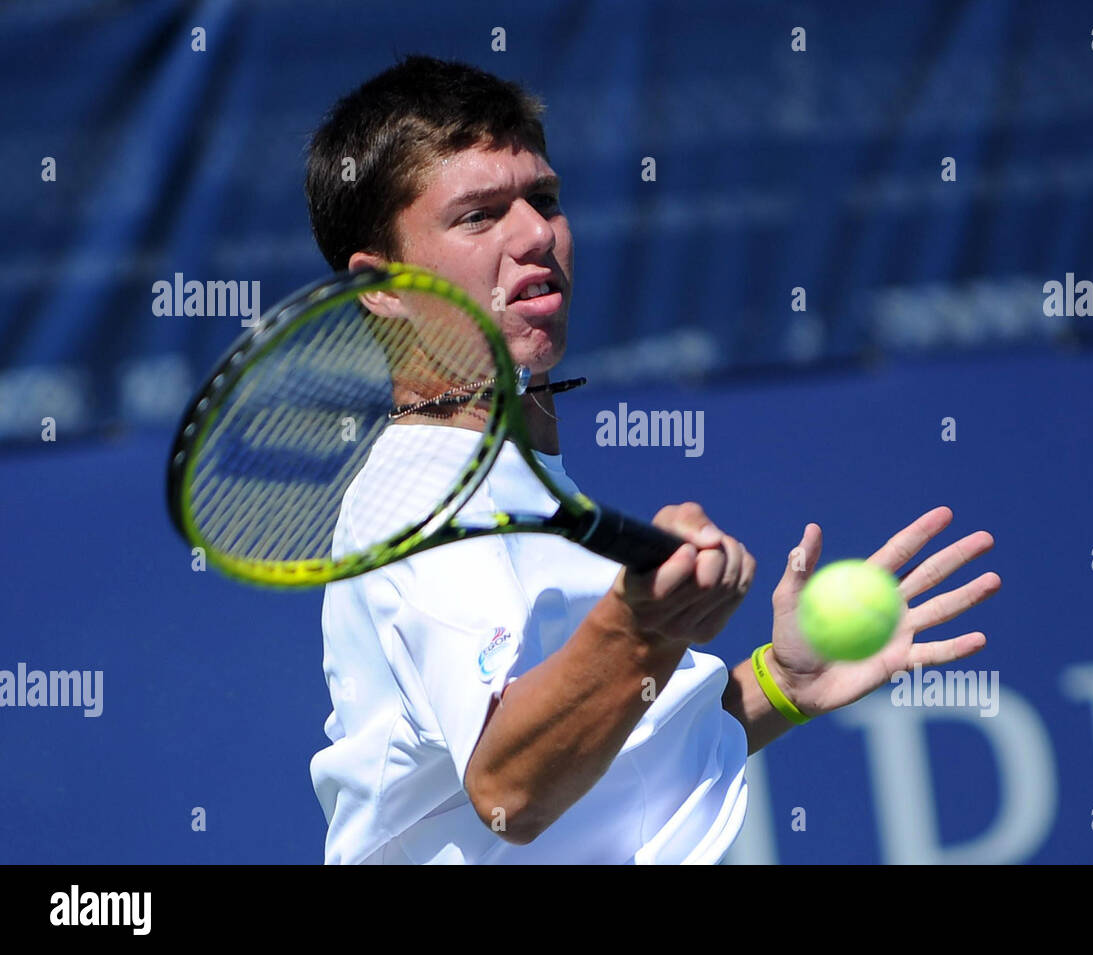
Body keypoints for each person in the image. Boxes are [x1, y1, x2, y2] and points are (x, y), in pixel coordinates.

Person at [304, 55, 1001, 864]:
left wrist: (778, 685)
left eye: (546, 199)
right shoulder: (427, 494)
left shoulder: (511, 475)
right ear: (379, 286)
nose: (537, 234)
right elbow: (510, 792)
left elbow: (600, 774)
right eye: (479, 215)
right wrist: (638, 626)